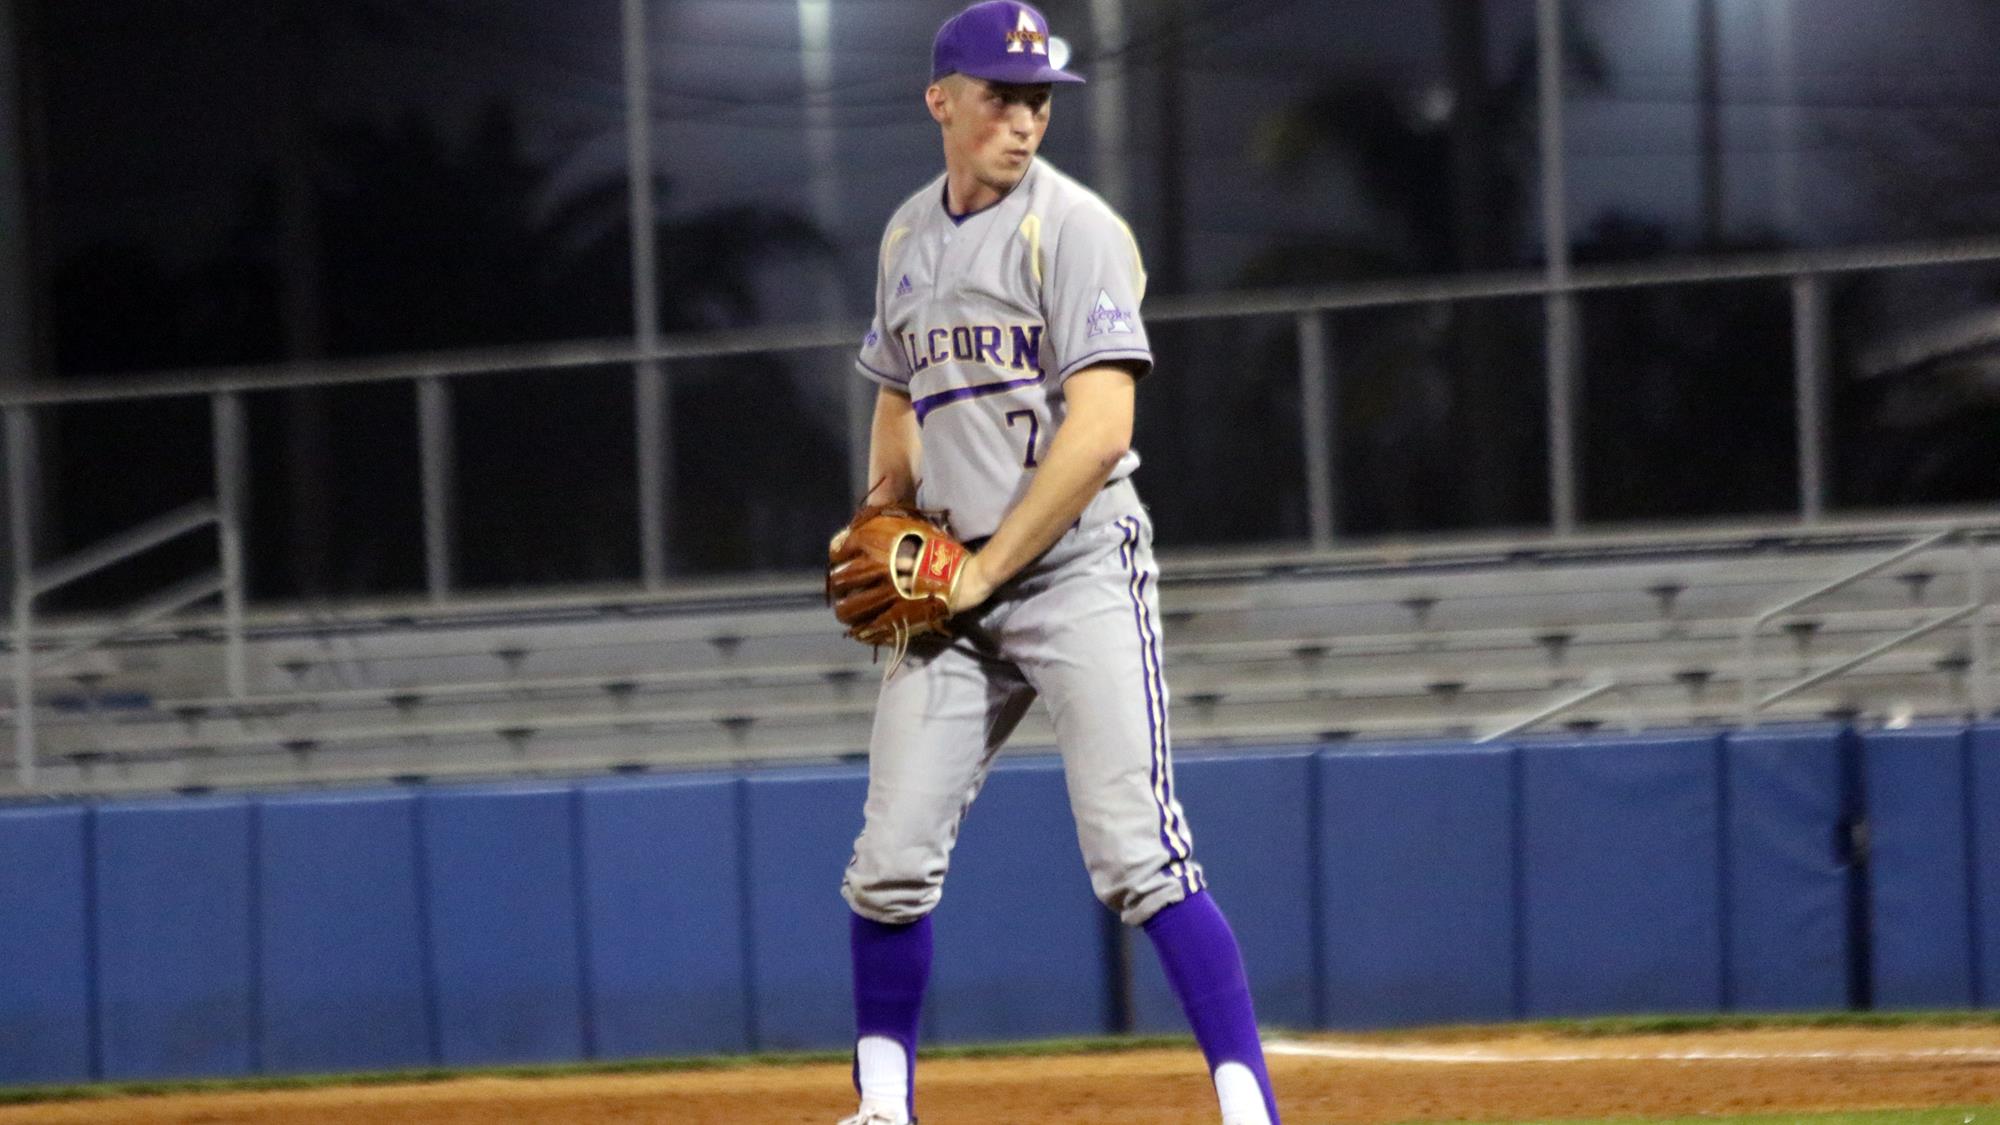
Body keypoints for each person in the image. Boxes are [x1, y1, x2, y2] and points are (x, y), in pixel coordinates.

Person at [836, 4, 1281, 1124]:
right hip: (951, 586)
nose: (1024, 119)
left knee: (1139, 856)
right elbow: (898, 397)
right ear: (941, 101)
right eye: (1000, 96)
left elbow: (1095, 435)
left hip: (1074, 566)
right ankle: (883, 1109)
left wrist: (985, 576)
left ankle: (1248, 1111)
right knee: (887, 864)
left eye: (1038, 98)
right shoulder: (904, 237)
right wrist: (883, 505)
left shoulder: (1075, 227)